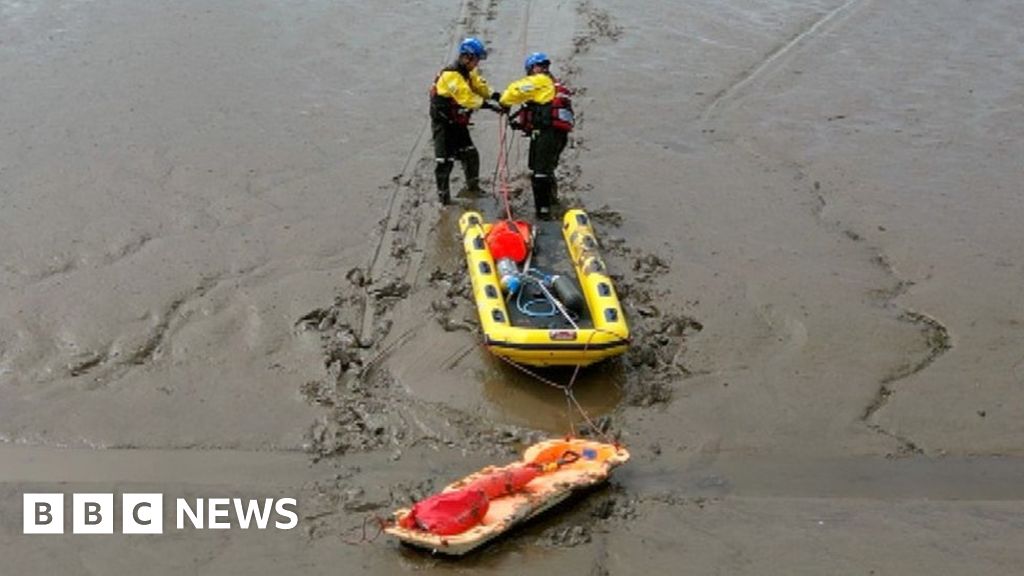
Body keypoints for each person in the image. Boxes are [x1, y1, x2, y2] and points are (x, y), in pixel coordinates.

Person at [499, 52, 574, 218]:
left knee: (540, 172)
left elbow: (513, 91)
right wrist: (522, 124)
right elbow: (541, 112)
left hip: (547, 134)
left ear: (533, 68)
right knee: (545, 169)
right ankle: (553, 202)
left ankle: (543, 213)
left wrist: (503, 102)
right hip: (555, 135)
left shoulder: (540, 81)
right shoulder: (552, 85)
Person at [430, 37, 502, 205]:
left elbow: (479, 86)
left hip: (458, 123)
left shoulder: (469, 72)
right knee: (444, 163)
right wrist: (489, 106)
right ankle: (444, 199)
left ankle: (473, 188)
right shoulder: (450, 76)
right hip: (444, 124)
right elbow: (467, 99)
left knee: (470, 154)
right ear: (466, 57)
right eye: (475, 59)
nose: (477, 64)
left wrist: (497, 96)